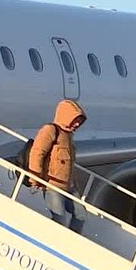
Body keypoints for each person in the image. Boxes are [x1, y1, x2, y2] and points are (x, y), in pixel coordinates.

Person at [27, 99, 87, 233]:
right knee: (59, 220)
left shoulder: (68, 136)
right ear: (66, 117)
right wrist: (34, 177)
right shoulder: (50, 130)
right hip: (52, 186)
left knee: (81, 215)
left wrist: (74, 184)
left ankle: (72, 241)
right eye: (75, 120)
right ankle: (57, 247)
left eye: (79, 121)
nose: (77, 124)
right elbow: (37, 153)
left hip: (69, 187)